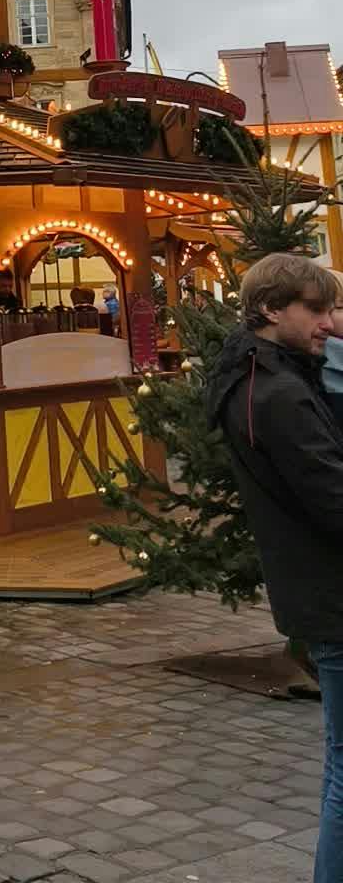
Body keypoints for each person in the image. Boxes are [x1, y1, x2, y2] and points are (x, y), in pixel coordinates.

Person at [205, 253, 343, 882]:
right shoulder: (279, 393)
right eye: (316, 310)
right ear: (270, 309)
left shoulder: (266, 379)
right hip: (334, 597)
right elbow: (333, 500)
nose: (329, 323)